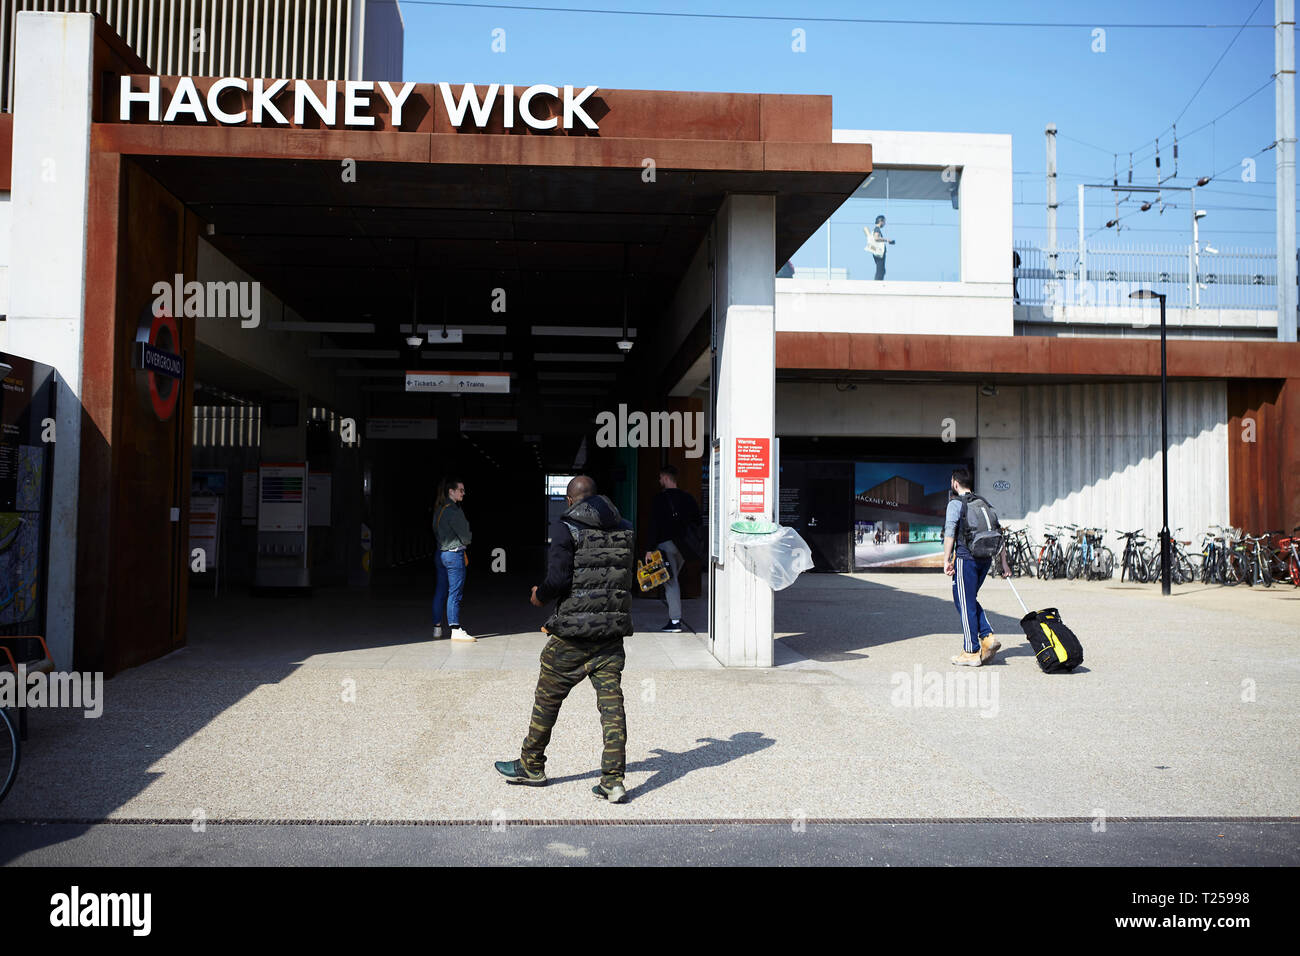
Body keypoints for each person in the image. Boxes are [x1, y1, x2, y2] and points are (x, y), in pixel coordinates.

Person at [494, 476, 635, 803]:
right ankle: (613, 780)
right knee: (612, 704)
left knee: (547, 697)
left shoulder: (566, 527)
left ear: (571, 500)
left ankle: (531, 764)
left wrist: (539, 597)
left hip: (573, 633)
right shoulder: (625, 527)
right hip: (611, 632)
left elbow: (557, 579)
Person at [943, 467, 1010, 666]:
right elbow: (999, 533)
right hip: (985, 558)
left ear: (955, 483)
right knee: (967, 600)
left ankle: (971, 651)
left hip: (966, 559)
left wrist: (947, 559)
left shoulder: (955, 504)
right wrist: (1004, 563)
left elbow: (949, 533)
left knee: (965, 602)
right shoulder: (984, 503)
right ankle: (987, 638)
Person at [645, 464, 701, 633]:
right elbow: (698, 522)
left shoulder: (659, 499)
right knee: (673, 578)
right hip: (683, 547)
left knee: (670, 582)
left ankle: (675, 621)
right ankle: (675, 618)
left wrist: (649, 548)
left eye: (661, 477)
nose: (660, 480)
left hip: (666, 545)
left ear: (666, 478)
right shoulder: (688, 498)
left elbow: (654, 525)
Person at [432, 477, 473, 642]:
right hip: (454, 555)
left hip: (440, 554)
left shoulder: (439, 509)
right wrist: (468, 537)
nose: (464, 493)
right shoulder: (454, 510)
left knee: (440, 591)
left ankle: (436, 628)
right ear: (451, 491)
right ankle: (455, 628)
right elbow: (466, 537)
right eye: (461, 490)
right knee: (455, 593)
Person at [866, 214, 895, 280]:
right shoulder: (877, 229)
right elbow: (876, 238)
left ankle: (878, 282)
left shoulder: (875, 229)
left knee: (882, 270)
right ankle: (877, 284)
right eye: (884, 222)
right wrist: (887, 240)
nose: (884, 224)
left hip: (877, 252)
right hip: (879, 252)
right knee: (880, 269)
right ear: (881, 221)